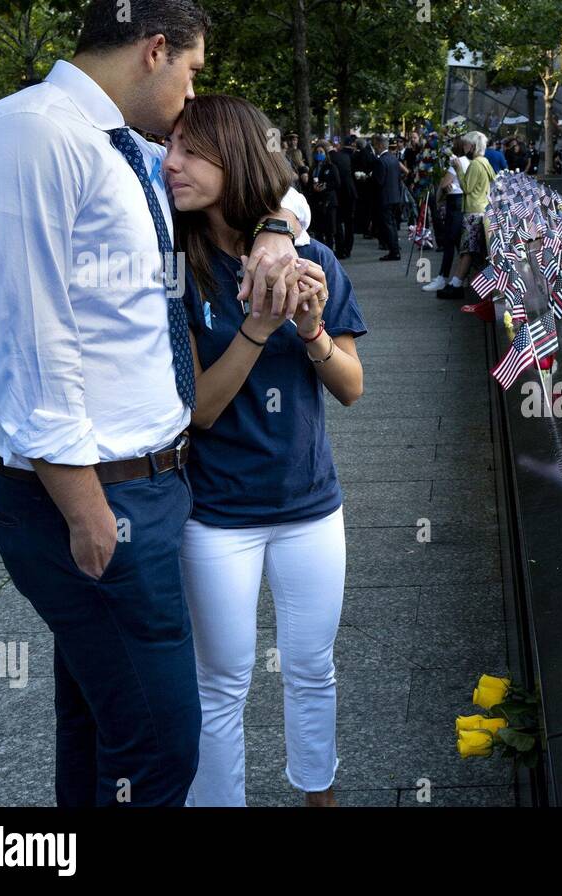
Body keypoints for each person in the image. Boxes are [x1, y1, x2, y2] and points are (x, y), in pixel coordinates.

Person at [0, 0, 311, 807]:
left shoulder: (122, 148)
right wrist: (87, 514)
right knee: (157, 754)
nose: (192, 93)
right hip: (95, 493)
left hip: (142, 486)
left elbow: (260, 183)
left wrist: (273, 230)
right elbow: (26, 340)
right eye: (191, 72)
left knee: (100, 728)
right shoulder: (33, 136)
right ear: (155, 51)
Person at [162, 94, 365, 808]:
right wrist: (256, 326)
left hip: (310, 505)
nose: (171, 163)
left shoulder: (311, 259)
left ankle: (319, 795)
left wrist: (309, 329)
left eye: (189, 150)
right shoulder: (177, 269)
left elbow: (351, 386)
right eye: (171, 147)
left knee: (312, 667)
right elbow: (200, 411)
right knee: (221, 682)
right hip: (216, 515)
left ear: (236, 157)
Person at [438, 130, 494, 301]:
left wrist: (458, 169)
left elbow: (466, 188)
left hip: (472, 210)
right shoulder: (485, 162)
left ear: (474, 146)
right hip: (481, 207)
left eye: (467, 144)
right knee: (468, 250)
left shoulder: (476, 164)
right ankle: (457, 283)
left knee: (467, 249)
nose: (465, 147)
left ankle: (456, 284)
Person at [423, 135, 467, 294]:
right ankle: (454, 277)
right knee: (455, 241)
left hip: (455, 201)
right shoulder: (468, 162)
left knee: (450, 240)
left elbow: (444, 184)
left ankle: (443, 277)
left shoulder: (457, 163)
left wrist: (440, 196)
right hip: (461, 200)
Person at [372, 134, 404, 260]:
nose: (374, 148)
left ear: (380, 145)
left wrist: (370, 178)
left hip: (384, 198)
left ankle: (394, 251)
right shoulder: (393, 158)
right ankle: (395, 248)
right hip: (394, 196)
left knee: (388, 225)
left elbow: (379, 181)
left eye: (375, 145)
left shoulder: (381, 161)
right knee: (392, 224)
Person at [307, 140, 340, 248]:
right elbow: (309, 184)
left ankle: (330, 249)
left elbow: (337, 183)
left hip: (328, 201)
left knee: (329, 230)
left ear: (325, 154)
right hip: (317, 202)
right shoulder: (313, 169)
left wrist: (325, 187)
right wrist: (313, 188)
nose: (319, 154)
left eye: (321, 152)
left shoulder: (331, 167)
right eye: (317, 152)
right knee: (318, 230)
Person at [329, 137, 357, 258]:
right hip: (350, 192)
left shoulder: (331, 158)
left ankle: (341, 249)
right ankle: (348, 248)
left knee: (338, 222)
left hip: (339, 193)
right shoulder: (345, 156)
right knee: (349, 222)